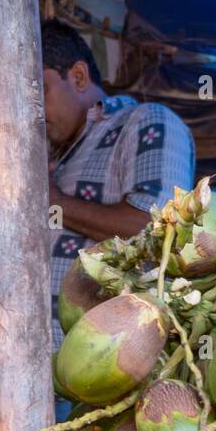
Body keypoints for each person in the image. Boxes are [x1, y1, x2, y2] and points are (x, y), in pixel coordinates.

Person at [42, 19, 195, 347]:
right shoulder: (59, 156)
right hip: (50, 371)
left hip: (111, 368)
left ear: (79, 76)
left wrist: (54, 202)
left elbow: (159, 230)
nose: (34, 110)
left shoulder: (147, 121)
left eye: (39, 90)